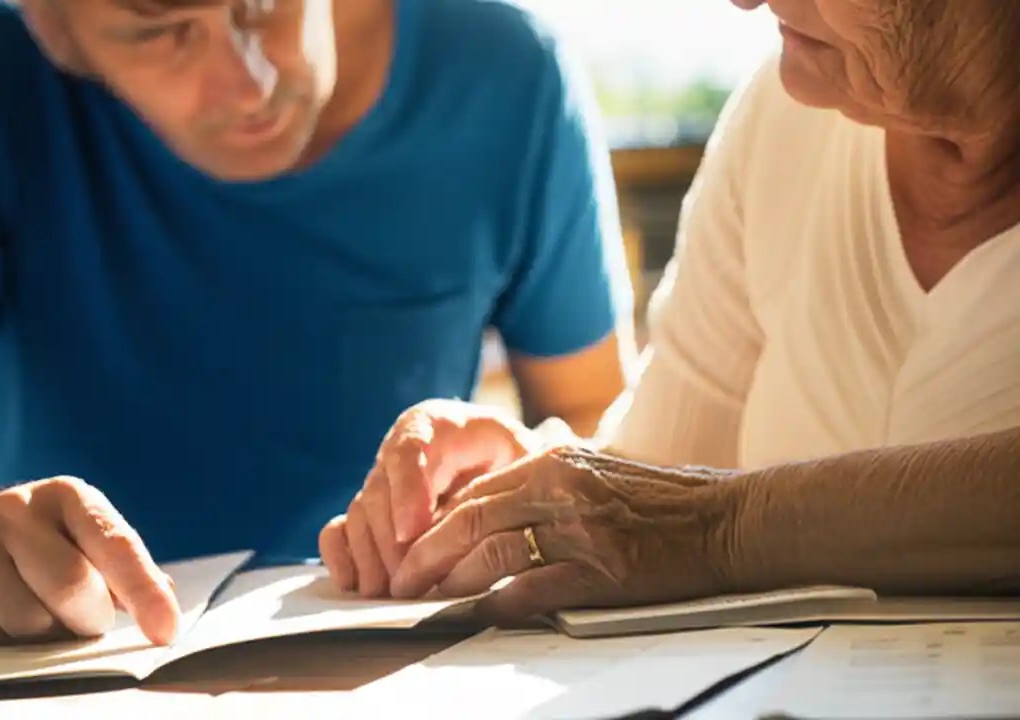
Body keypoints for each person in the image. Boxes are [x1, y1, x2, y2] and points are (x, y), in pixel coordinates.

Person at [0, 0, 634, 644]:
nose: (250, 81)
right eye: (160, 31)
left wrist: (524, 472)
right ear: (53, 26)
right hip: (75, 677)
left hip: (418, 665)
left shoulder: (510, 73)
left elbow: (601, 418)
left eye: (265, 3)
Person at [321, 0, 1020, 618]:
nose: (743, 1)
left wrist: (721, 530)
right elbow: (664, 477)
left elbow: (688, 521)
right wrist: (522, 493)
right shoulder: (787, 115)